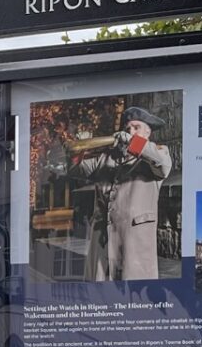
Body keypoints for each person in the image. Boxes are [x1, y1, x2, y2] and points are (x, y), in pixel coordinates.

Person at [49, 106, 174, 280]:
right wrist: (77, 149)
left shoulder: (157, 153)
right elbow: (76, 170)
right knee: (101, 289)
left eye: (136, 127)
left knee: (135, 290)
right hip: (102, 239)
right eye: (127, 128)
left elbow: (162, 164)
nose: (130, 131)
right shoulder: (106, 157)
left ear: (148, 132)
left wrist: (133, 142)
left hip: (135, 241)